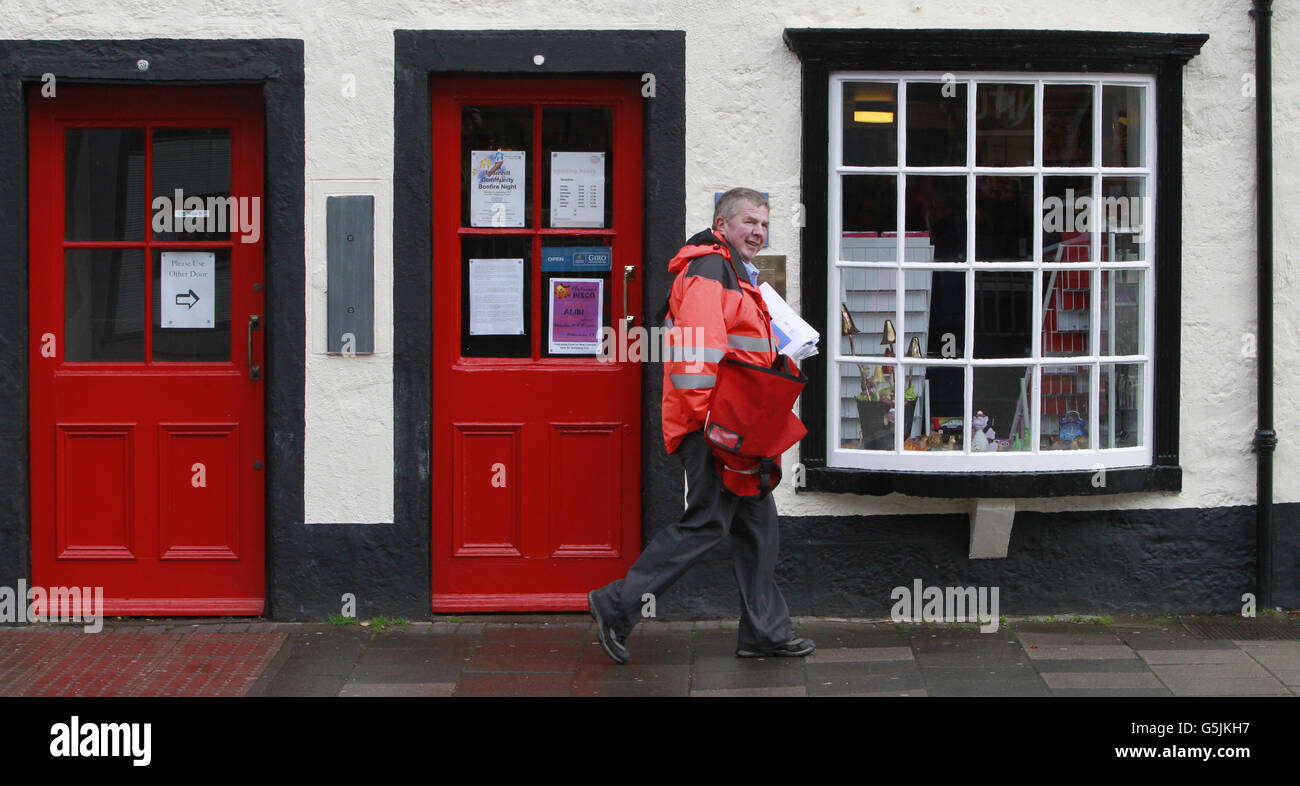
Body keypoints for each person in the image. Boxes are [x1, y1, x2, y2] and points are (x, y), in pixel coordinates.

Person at [587, 187, 814, 663]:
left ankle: (765, 632)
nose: (758, 231)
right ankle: (616, 605)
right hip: (716, 426)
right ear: (723, 224)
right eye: (749, 221)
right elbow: (696, 355)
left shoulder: (733, 272)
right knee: (708, 522)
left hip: (739, 425)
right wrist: (709, 422)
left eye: (764, 224)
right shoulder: (711, 269)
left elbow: (733, 349)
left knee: (758, 528)